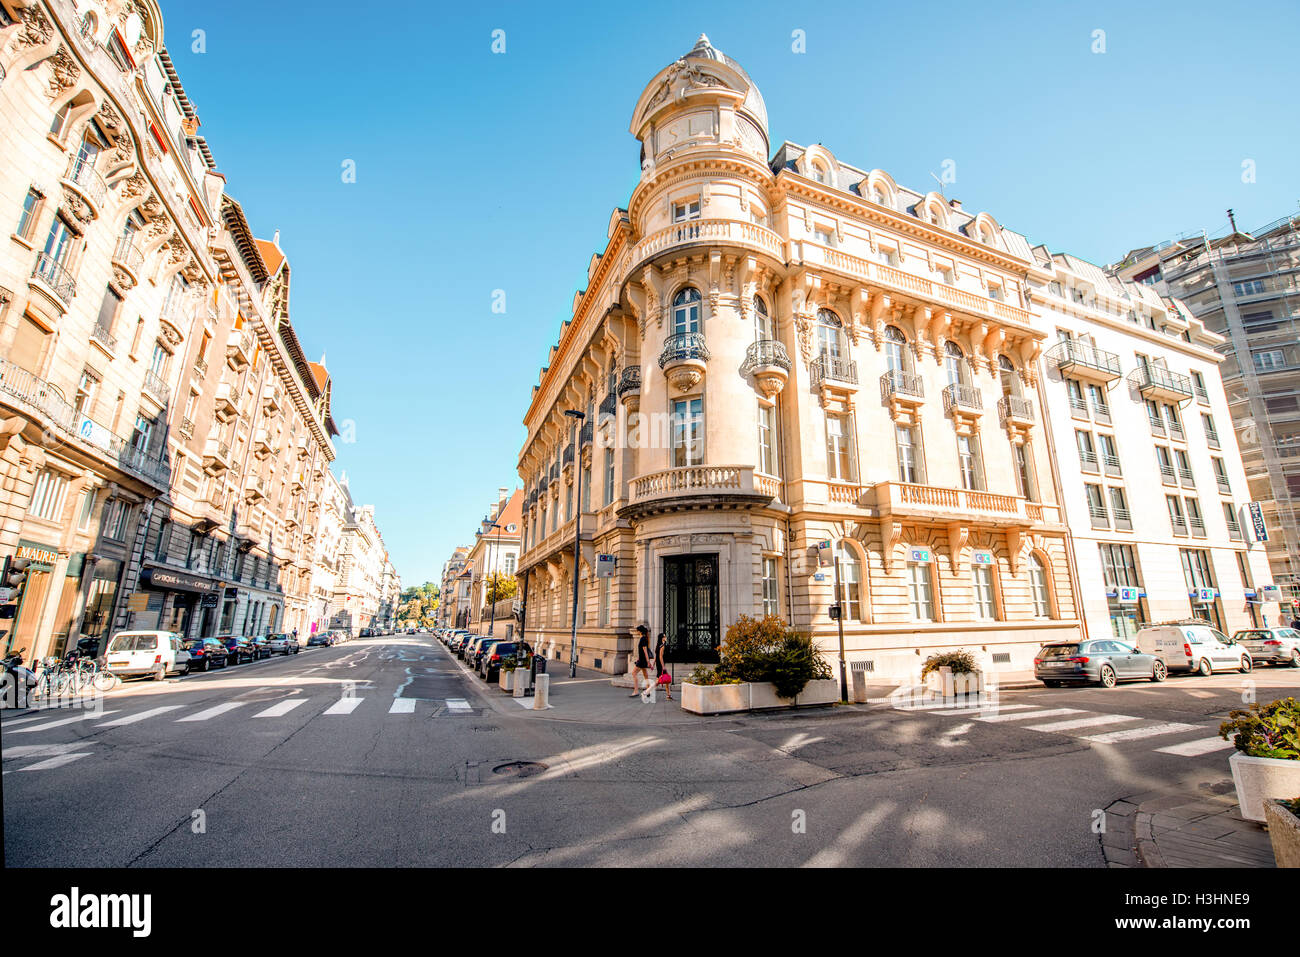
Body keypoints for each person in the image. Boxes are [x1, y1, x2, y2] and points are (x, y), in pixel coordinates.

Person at [629, 625, 653, 697]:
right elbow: (643, 651)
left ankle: (636, 691)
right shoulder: (644, 638)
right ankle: (648, 691)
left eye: (637, 631)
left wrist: (648, 662)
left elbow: (645, 651)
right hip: (642, 659)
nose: (637, 632)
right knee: (645, 675)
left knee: (634, 673)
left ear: (640, 631)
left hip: (643, 660)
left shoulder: (643, 639)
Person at [655, 632, 672, 702]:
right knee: (659, 681)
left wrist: (653, 663)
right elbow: (660, 657)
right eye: (664, 636)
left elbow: (656, 656)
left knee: (665, 679)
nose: (665, 637)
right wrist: (663, 667)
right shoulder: (662, 646)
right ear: (662, 638)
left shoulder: (658, 645)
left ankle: (668, 695)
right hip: (661, 664)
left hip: (658, 664)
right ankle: (647, 692)